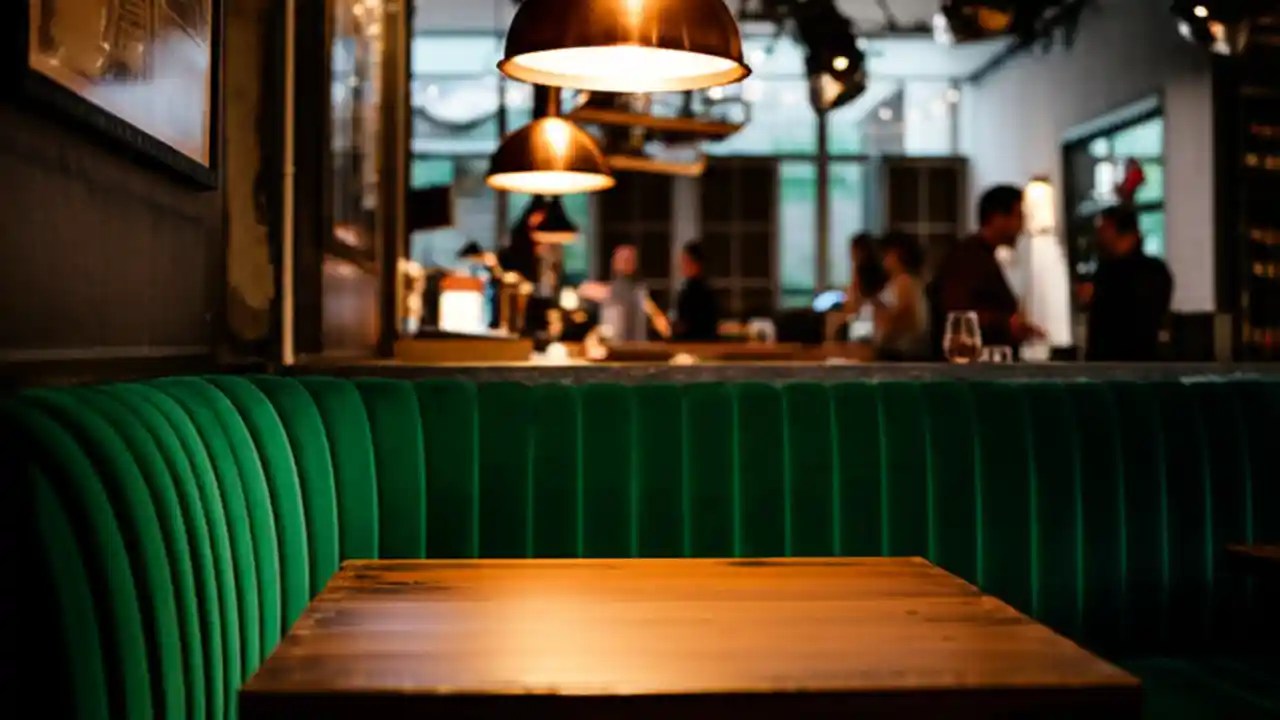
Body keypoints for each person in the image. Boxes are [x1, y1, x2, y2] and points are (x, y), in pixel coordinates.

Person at [932, 185, 1041, 354]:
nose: (1022, 226)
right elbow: (958, 312)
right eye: (1018, 216)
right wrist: (1006, 324)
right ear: (997, 218)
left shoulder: (979, 255)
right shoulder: (967, 258)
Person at [1079, 206, 1172, 361]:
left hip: (1136, 365)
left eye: (1104, 229)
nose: (1099, 235)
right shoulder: (1104, 270)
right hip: (1102, 369)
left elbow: (1137, 316)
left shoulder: (1151, 273)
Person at [873, 233, 930, 360]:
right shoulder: (896, 281)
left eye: (888, 254)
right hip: (891, 349)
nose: (883, 258)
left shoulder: (906, 282)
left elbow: (901, 318)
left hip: (899, 354)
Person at [673, 241, 719, 341]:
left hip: (696, 346)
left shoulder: (700, 292)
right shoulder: (690, 288)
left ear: (695, 264)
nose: (682, 265)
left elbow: (693, 324)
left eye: (685, 260)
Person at [846, 233, 887, 314]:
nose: (851, 254)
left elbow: (854, 301)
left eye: (853, 250)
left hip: (865, 314)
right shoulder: (882, 269)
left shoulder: (860, 270)